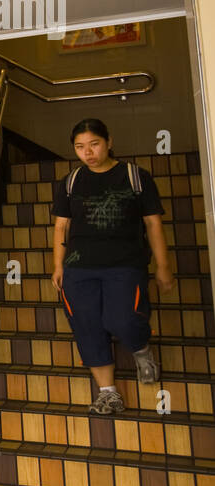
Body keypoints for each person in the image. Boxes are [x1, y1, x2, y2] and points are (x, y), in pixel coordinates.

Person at [52, 118, 173, 415]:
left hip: (125, 263)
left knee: (124, 319)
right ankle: (108, 393)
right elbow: (61, 227)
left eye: (94, 144)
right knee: (86, 325)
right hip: (79, 269)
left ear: (109, 141)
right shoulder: (71, 182)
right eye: (80, 147)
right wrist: (58, 265)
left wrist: (162, 265)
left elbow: (153, 223)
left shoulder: (135, 176)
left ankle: (141, 348)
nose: (88, 152)